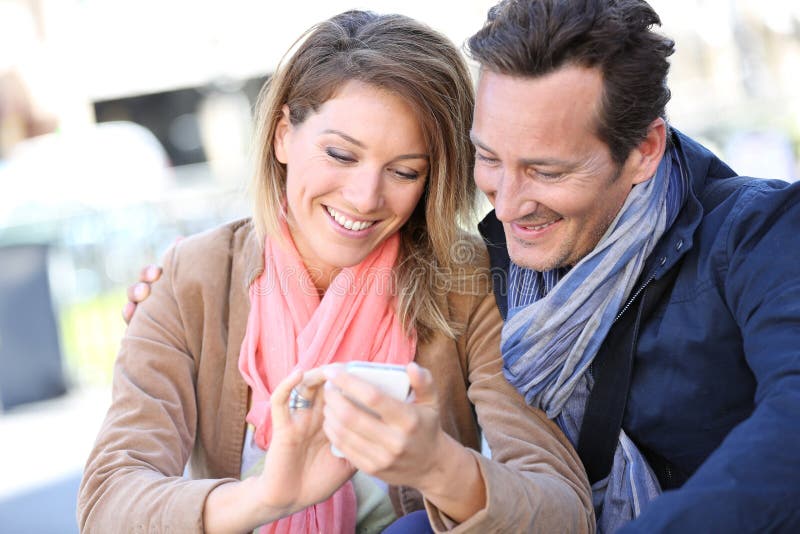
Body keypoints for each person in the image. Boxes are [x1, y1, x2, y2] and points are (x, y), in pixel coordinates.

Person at [79, 10, 594, 534]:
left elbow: (565, 511)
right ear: (282, 135)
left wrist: (437, 467)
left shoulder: (468, 282)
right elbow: (106, 506)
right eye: (340, 154)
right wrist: (265, 497)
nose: (366, 197)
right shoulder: (193, 277)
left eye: (404, 171)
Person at [466, 0, 800, 532]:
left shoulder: (760, 233)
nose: (505, 206)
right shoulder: (486, 269)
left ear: (645, 148)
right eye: (487, 158)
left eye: (546, 170)